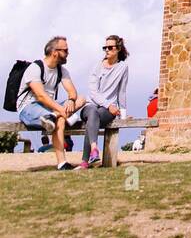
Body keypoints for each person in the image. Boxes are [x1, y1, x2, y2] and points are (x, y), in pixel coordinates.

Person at [15, 36, 86, 170]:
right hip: (29, 108)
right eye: (65, 50)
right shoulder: (35, 68)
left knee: (81, 99)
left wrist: (71, 100)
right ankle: (56, 117)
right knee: (60, 116)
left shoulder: (61, 70)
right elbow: (41, 96)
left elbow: (72, 91)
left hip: (50, 107)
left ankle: (62, 163)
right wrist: (62, 110)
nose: (68, 53)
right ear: (54, 52)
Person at [77, 35, 129, 170]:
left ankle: (85, 162)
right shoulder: (97, 66)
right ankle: (94, 149)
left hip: (107, 110)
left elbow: (121, 92)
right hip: (91, 105)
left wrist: (122, 115)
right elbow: (93, 93)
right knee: (93, 112)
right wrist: (108, 105)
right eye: (104, 47)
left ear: (118, 49)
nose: (107, 50)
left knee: (94, 118)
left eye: (110, 47)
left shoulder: (123, 67)